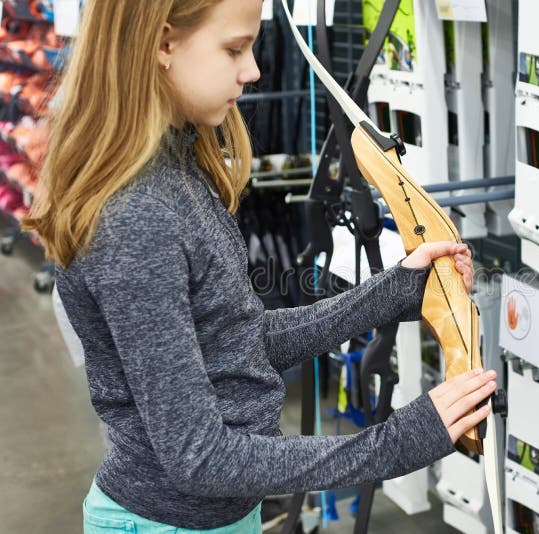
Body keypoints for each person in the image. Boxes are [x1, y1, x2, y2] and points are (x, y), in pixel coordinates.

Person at [23, 1, 497, 532]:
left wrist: (397, 291)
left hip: (223, 515)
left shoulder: (176, 169)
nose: (252, 70)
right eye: (234, 49)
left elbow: (236, 344)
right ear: (161, 43)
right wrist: (395, 443)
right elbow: (201, 458)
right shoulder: (136, 216)